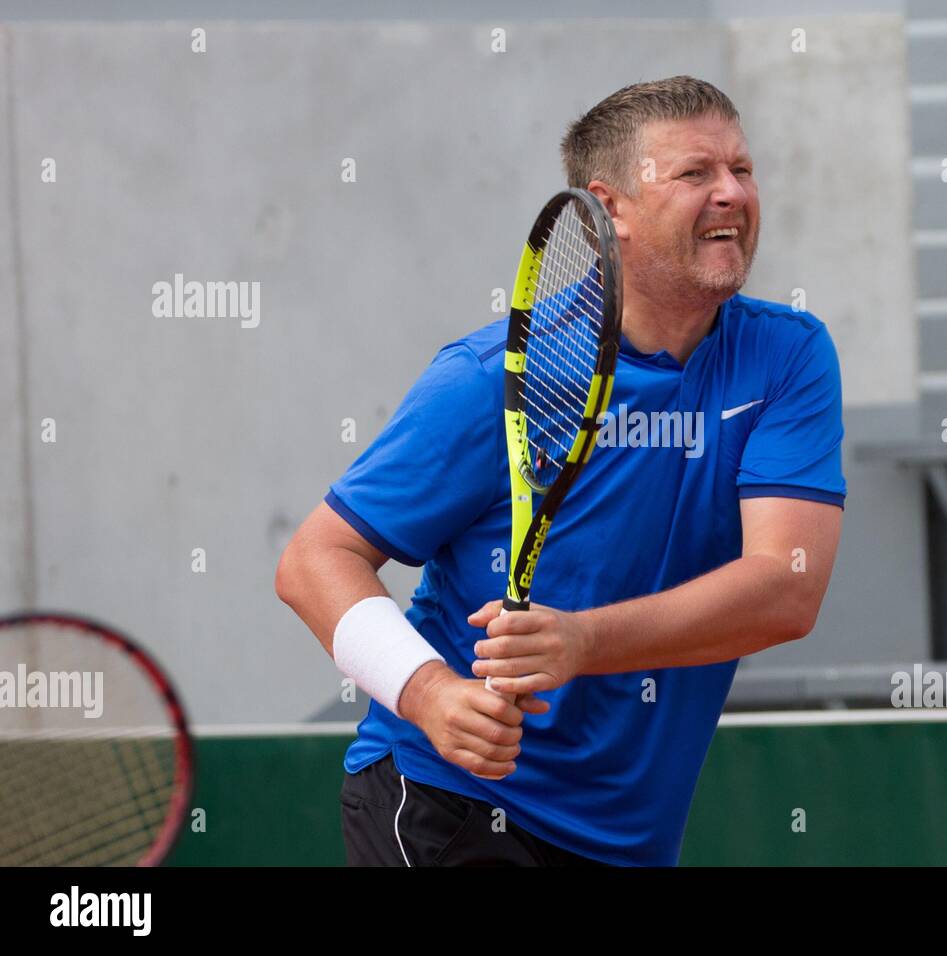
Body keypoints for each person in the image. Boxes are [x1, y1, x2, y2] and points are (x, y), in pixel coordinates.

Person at [275, 75, 845, 867]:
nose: (731, 195)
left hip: (627, 841)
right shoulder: (491, 375)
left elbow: (786, 589)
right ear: (611, 210)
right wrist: (430, 693)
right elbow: (313, 562)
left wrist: (581, 642)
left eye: (741, 171)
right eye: (694, 175)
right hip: (450, 800)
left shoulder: (789, 357)